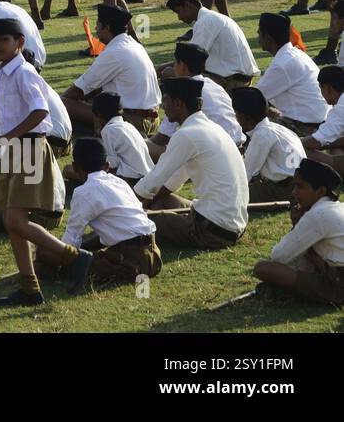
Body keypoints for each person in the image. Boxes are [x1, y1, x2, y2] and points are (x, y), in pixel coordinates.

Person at [0, 17, 80, 306]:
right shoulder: (2, 74)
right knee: (10, 221)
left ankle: (72, 256)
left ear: (20, 43)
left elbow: (40, 112)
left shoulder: (24, 73)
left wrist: (8, 136)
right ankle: (30, 287)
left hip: (28, 148)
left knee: (15, 220)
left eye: (4, 40)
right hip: (15, 149)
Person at [134, 77, 250, 248]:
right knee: (163, 201)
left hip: (212, 231)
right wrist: (152, 200)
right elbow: (177, 177)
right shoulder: (211, 128)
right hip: (231, 226)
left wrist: (129, 204)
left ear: (178, 104)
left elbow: (155, 179)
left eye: (165, 101)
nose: (162, 107)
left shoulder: (187, 134)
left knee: (136, 223)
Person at [44, 137, 161, 287]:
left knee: (48, 254)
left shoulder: (84, 192)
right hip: (154, 256)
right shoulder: (119, 182)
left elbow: (71, 240)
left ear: (75, 166)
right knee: (89, 242)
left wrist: (55, 255)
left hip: (129, 261)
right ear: (107, 165)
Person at [252, 159, 344, 307]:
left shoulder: (317, 215)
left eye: (300, 187)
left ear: (320, 191)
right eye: (294, 186)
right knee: (308, 255)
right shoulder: (337, 207)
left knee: (262, 268)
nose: (294, 192)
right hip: (333, 270)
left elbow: (279, 256)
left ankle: (294, 293)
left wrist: (296, 224)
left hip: (338, 284)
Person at [62, 3, 160, 135]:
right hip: (151, 118)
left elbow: (75, 92)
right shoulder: (133, 45)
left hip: (134, 121)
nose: (95, 28)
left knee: (63, 104)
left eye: (98, 24)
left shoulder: (114, 52)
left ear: (106, 27)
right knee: (93, 98)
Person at [163, 0, 258, 89]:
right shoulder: (213, 17)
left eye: (179, 12)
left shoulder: (205, 22)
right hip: (239, 79)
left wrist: (163, 69)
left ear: (187, 5)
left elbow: (190, 60)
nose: (179, 18)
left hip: (232, 82)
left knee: (171, 74)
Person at [256, 11, 329, 136]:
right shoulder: (294, 54)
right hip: (318, 122)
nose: (257, 36)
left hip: (305, 128)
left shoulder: (283, 64)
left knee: (250, 121)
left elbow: (254, 97)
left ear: (268, 38)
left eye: (259, 33)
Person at [231, 86, 306, 203]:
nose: (236, 119)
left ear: (246, 117)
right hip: (299, 185)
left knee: (228, 196)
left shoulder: (262, 135)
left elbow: (246, 173)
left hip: (283, 190)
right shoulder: (278, 128)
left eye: (237, 114)